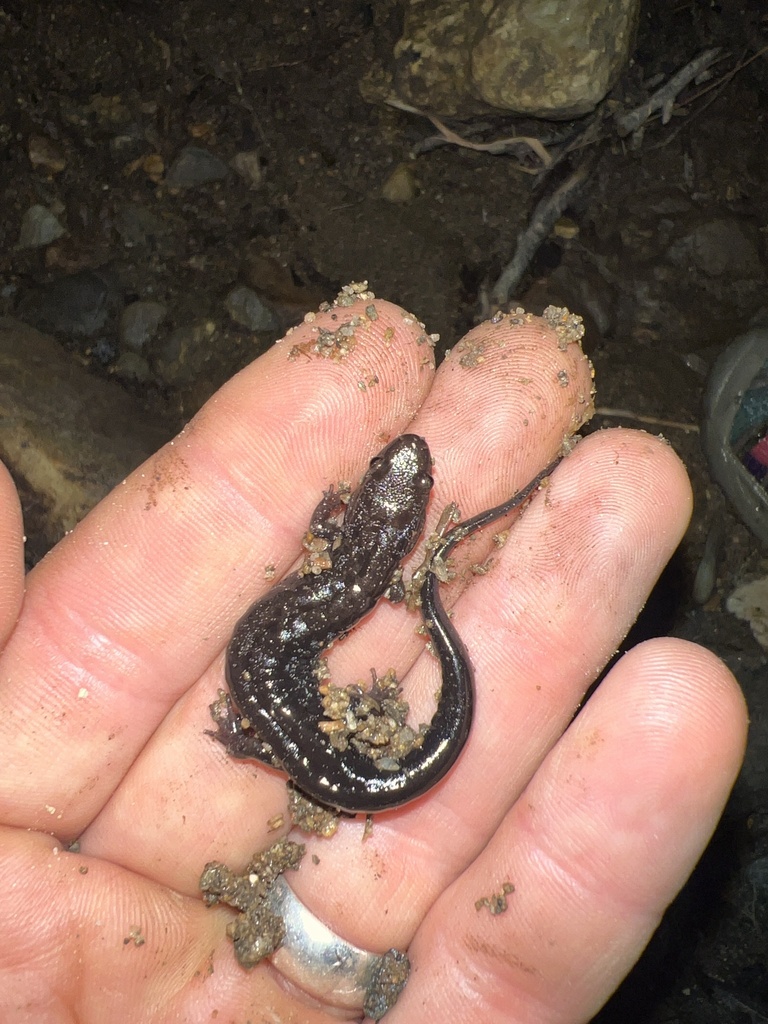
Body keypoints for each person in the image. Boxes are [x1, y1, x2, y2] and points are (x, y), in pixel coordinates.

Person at [0, 297, 746, 1023]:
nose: (411, 465)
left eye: (411, 480)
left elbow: (329, 539)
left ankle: (273, 739)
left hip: (296, 727)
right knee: (300, 738)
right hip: (297, 734)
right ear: (398, 530)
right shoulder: (359, 588)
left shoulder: (348, 572)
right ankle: (277, 737)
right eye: (406, 475)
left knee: (297, 737)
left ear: (371, 520)